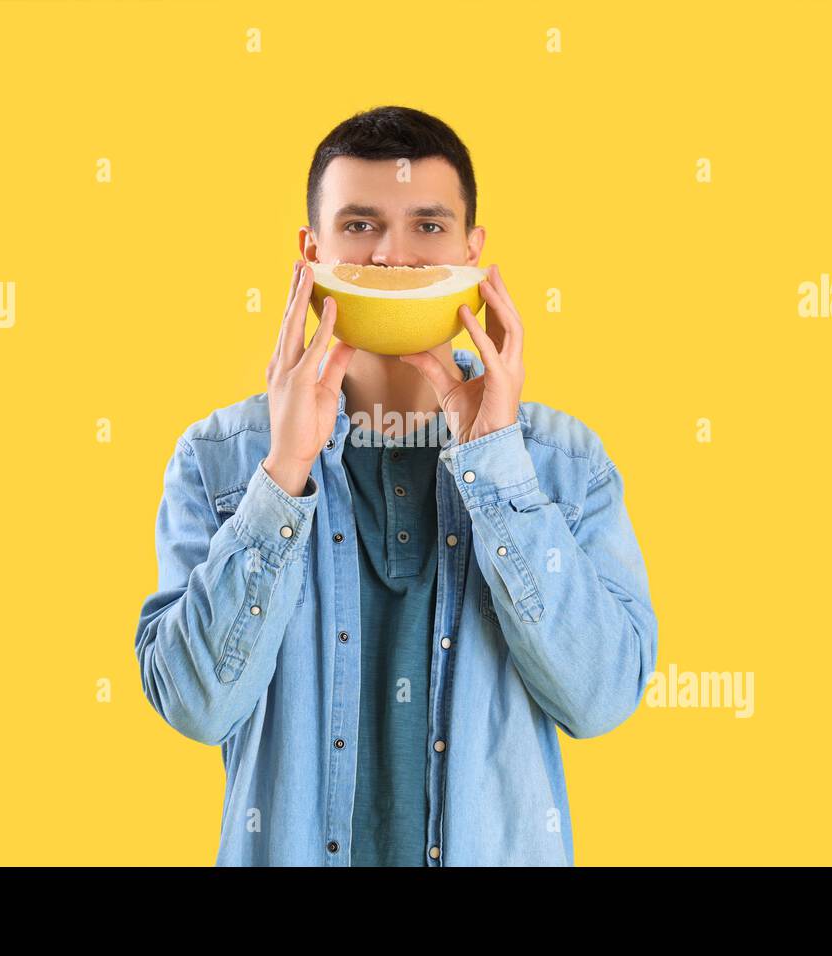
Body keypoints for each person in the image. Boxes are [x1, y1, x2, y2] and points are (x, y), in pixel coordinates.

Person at [134, 105, 658, 866]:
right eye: (358, 225)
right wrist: (282, 476)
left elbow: (602, 697)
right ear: (311, 254)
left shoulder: (563, 463)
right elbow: (193, 704)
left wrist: (500, 466)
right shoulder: (220, 459)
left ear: (473, 255)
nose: (393, 255)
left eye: (429, 226)